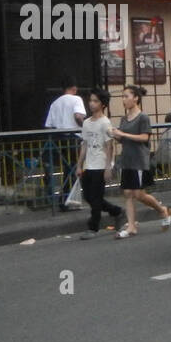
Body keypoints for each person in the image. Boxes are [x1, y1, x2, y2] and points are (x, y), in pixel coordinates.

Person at [109, 84, 171, 238]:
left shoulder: (143, 117)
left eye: (126, 96)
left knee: (139, 194)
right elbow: (123, 140)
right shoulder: (124, 118)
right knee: (128, 193)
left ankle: (162, 210)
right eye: (122, 97)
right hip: (127, 159)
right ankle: (131, 226)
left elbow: (144, 137)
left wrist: (123, 134)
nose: (124, 100)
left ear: (136, 98)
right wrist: (115, 135)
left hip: (139, 160)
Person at [75, 88, 123, 239]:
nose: (91, 103)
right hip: (89, 164)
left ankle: (93, 227)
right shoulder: (87, 123)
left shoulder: (105, 122)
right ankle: (116, 211)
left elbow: (110, 145)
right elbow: (84, 145)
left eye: (95, 101)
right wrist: (79, 165)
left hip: (101, 164)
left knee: (96, 198)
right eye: (90, 100)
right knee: (88, 196)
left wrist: (108, 166)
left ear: (102, 104)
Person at [44, 79, 86, 211]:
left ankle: (62, 198)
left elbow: (48, 125)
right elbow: (78, 116)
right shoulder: (76, 99)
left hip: (58, 139)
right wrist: (85, 127)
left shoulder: (55, 103)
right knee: (74, 168)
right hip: (73, 137)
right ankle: (68, 200)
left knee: (65, 168)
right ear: (74, 88)